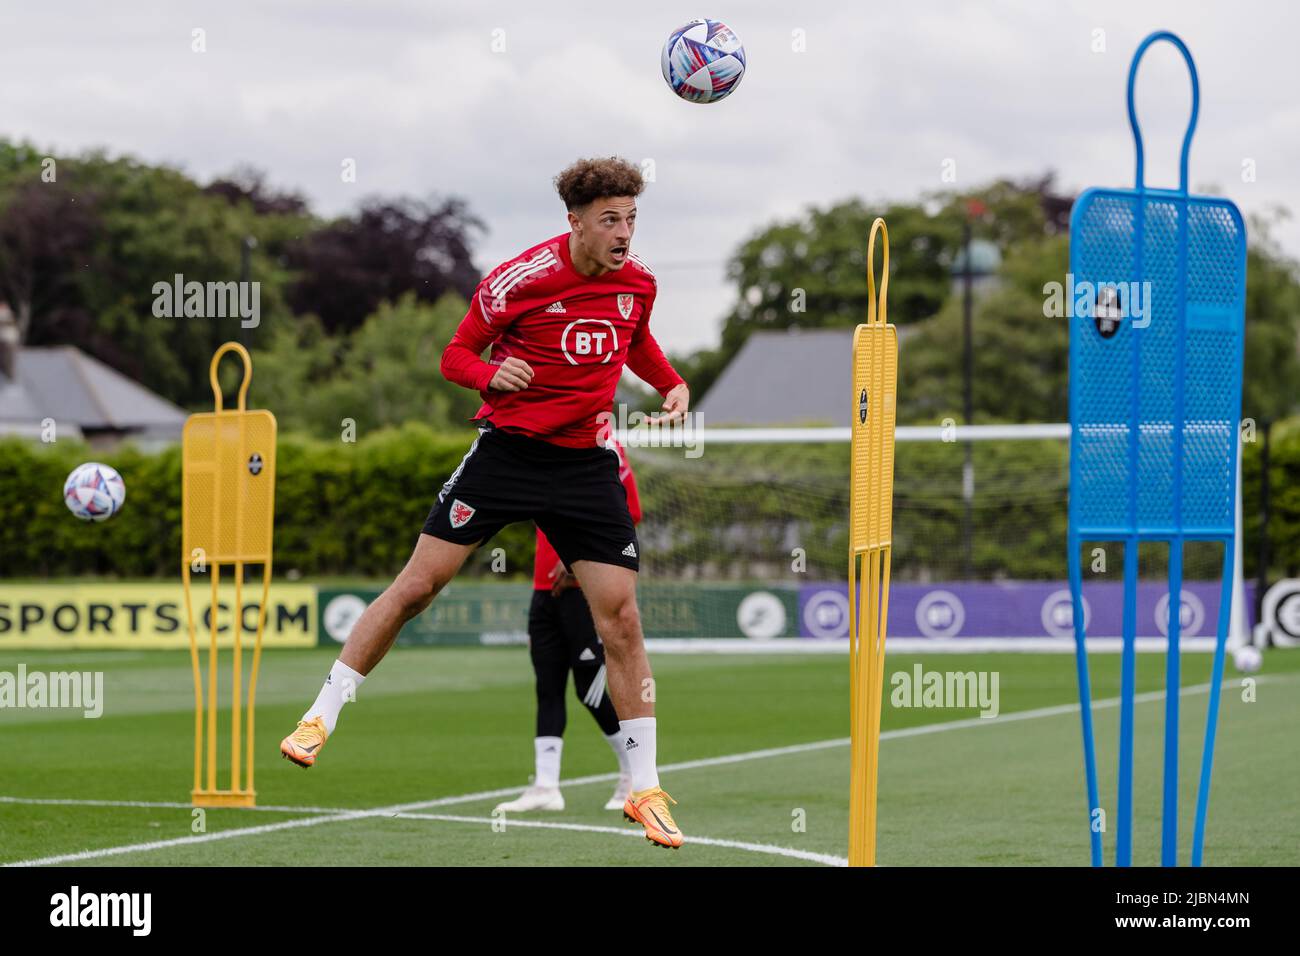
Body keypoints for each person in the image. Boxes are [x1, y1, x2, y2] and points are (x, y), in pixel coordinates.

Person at [279, 156, 690, 850]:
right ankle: (321, 715)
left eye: (631, 219)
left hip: (587, 465)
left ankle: (644, 789)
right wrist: (492, 373)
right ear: (576, 223)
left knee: (620, 619)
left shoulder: (638, 282)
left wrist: (671, 383)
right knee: (418, 587)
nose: (624, 233)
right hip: (508, 455)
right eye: (610, 220)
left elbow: (635, 344)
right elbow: (455, 355)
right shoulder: (518, 281)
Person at [494, 440, 641, 814]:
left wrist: (577, 561)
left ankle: (633, 775)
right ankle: (546, 787)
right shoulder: (540, 441)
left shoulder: (608, 449)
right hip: (543, 591)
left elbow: (630, 513)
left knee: (590, 689)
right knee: (547, 684)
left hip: (583, 590)